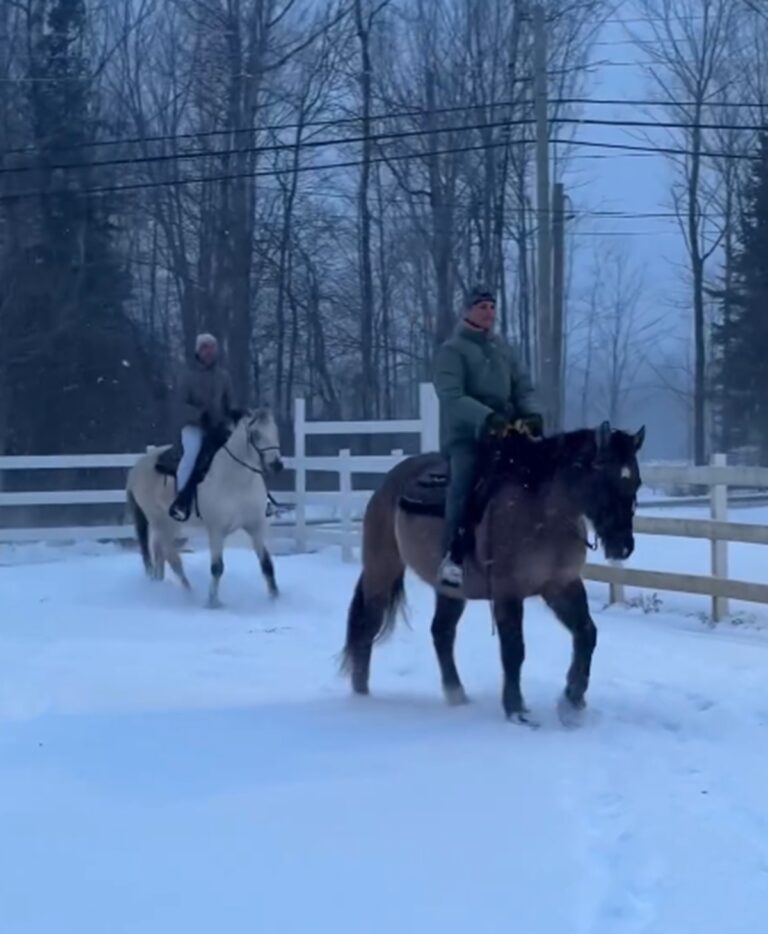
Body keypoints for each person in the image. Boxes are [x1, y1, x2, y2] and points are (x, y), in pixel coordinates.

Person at [433, 286, 542, 588]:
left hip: (508, 430)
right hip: (467, 435)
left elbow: (523, 387)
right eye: (482, 307)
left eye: (492, 307)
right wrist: (487, 418)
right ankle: (453, 556)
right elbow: (451, 396)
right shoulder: (452, 351)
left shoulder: (503, 348)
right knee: (464, 481)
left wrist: (531, 415)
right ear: (467, 311)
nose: (489, 313)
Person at [169, 332, 238, 521]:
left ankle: (257, 500)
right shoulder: (188, 376)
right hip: (194, 427)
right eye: (204, 348)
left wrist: (234, 414)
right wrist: (200, 415)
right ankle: (183, 500)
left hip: (218, 426)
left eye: (212, 347)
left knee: (240, 453)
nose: (209, 352)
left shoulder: (223, 376)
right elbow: (180, 404)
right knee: (192, 455)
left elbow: (230, 402)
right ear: (198, 351)